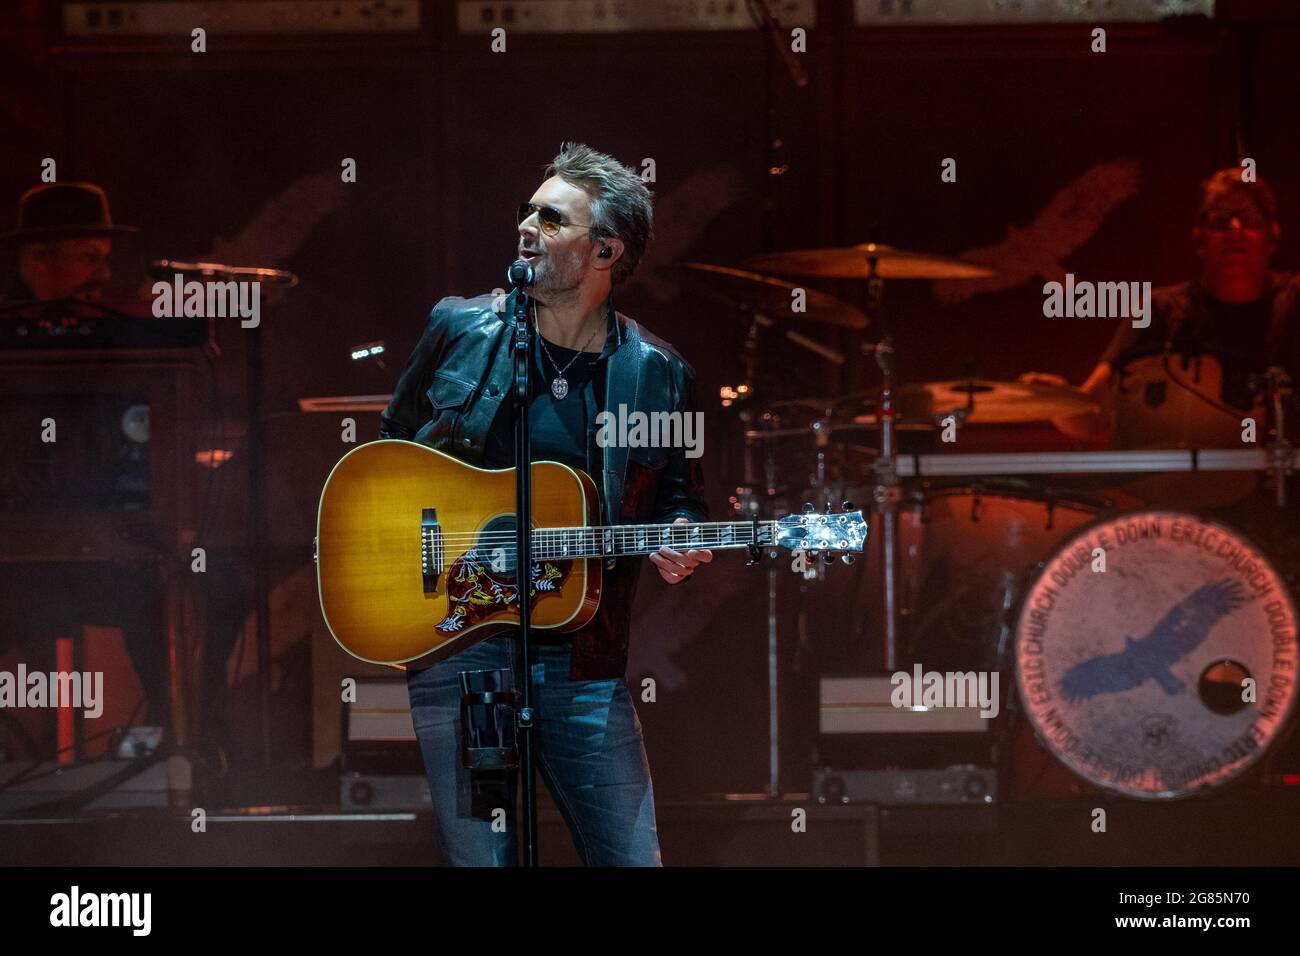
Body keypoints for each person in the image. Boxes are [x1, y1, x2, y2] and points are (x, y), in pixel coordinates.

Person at [379, 143, 711, 866]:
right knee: (483, 861)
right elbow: (387, 451)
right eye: (529, 211)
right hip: (463, 646)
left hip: (583, 660)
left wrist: (680, 537)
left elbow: (679, 500)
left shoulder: (657, 374)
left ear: (605, 251)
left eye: (551, 218)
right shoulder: (461, 329)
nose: (525, 226)